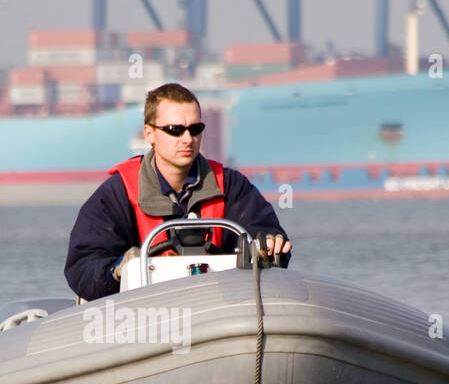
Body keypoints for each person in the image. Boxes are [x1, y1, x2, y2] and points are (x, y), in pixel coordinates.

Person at [64, 81, 291, 301]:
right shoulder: (118, 193)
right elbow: (82, 265)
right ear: (149, 134)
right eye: (175, 130)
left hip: (218, 310)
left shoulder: (232, 186)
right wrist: (119, 269)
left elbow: (263, 230)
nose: (187, 139)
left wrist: (271, 245)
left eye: (195, 129)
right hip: (143, 316)